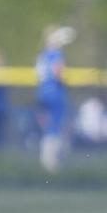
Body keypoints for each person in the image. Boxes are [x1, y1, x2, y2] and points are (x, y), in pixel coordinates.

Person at [35, 25, 75, 173]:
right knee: (55, 126)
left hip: (42, 92)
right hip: (54, 93)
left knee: (47, 126)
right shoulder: (55, 54)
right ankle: (51, 163)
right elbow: (58, 72)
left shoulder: (42, 54)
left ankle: (46, 159)